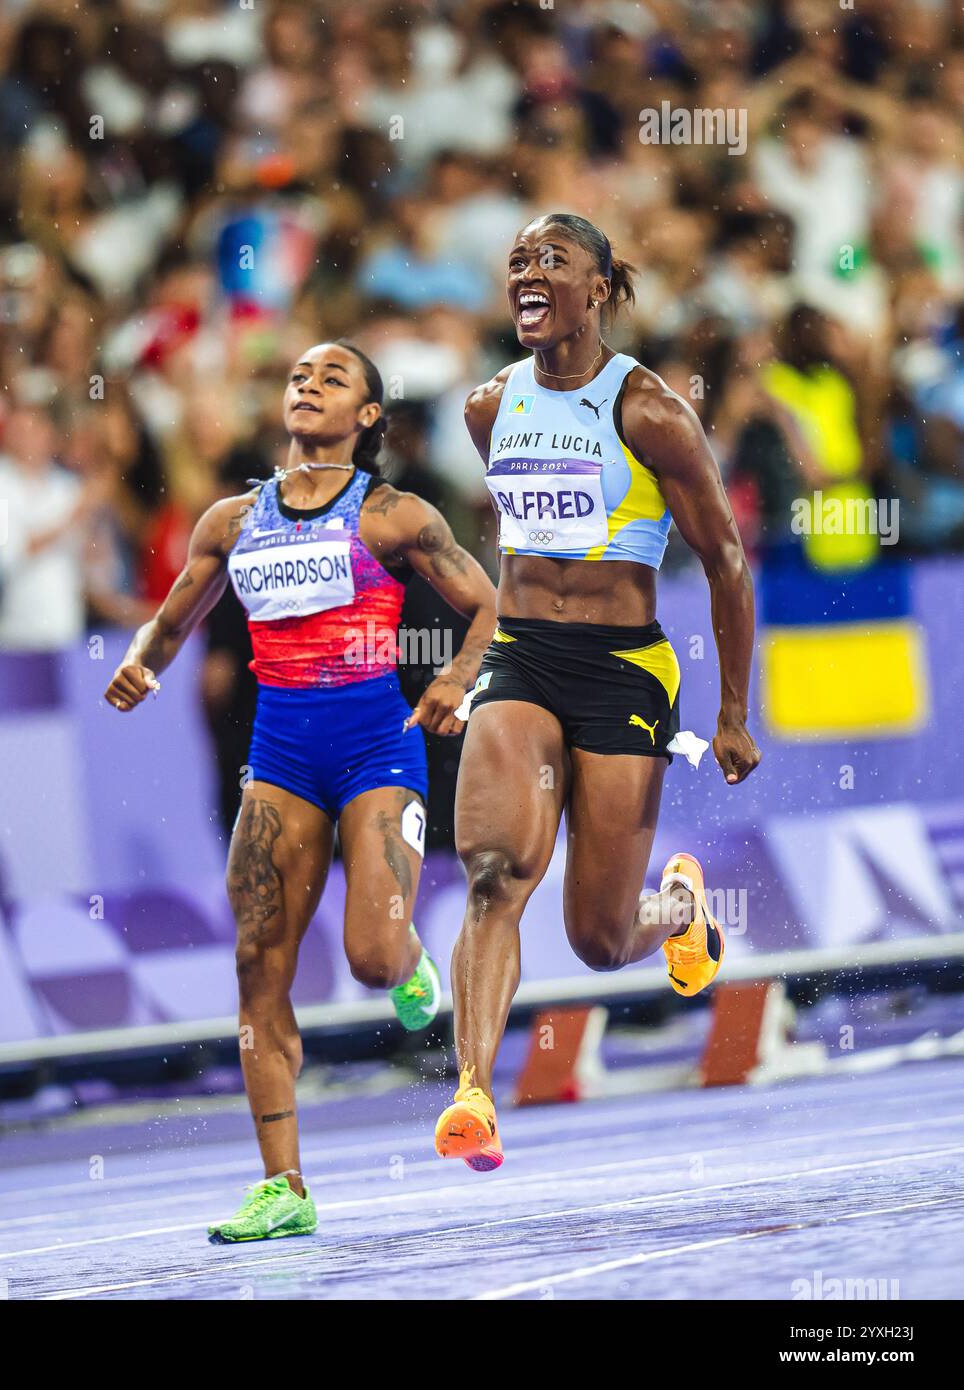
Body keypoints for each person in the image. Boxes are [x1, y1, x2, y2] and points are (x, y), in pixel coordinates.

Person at [105, 341, 497, 1238]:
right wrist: (140, 666)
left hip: (373, 753)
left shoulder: (392, 516)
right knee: (257, 964)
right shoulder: (231, 523)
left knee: (367, 957)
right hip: (278, 758)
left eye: (334, 379)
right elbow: (172, 622)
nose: (309, 384)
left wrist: (456, 681)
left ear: (367, 418)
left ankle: (407, 964)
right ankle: (284, 1188)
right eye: (298, 375)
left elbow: (489, 604)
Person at [434, 215, 761, 1172]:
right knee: (494, 875)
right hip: (524, 654)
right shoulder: (491, 406)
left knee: (599, 938)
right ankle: (473, 1095)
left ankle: (678, 913)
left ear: (602, 287)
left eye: (553, 262)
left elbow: (727, 562)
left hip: (623, 668)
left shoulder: (651, 412)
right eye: (518, 263)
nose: (528, 276)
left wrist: (732, 710)